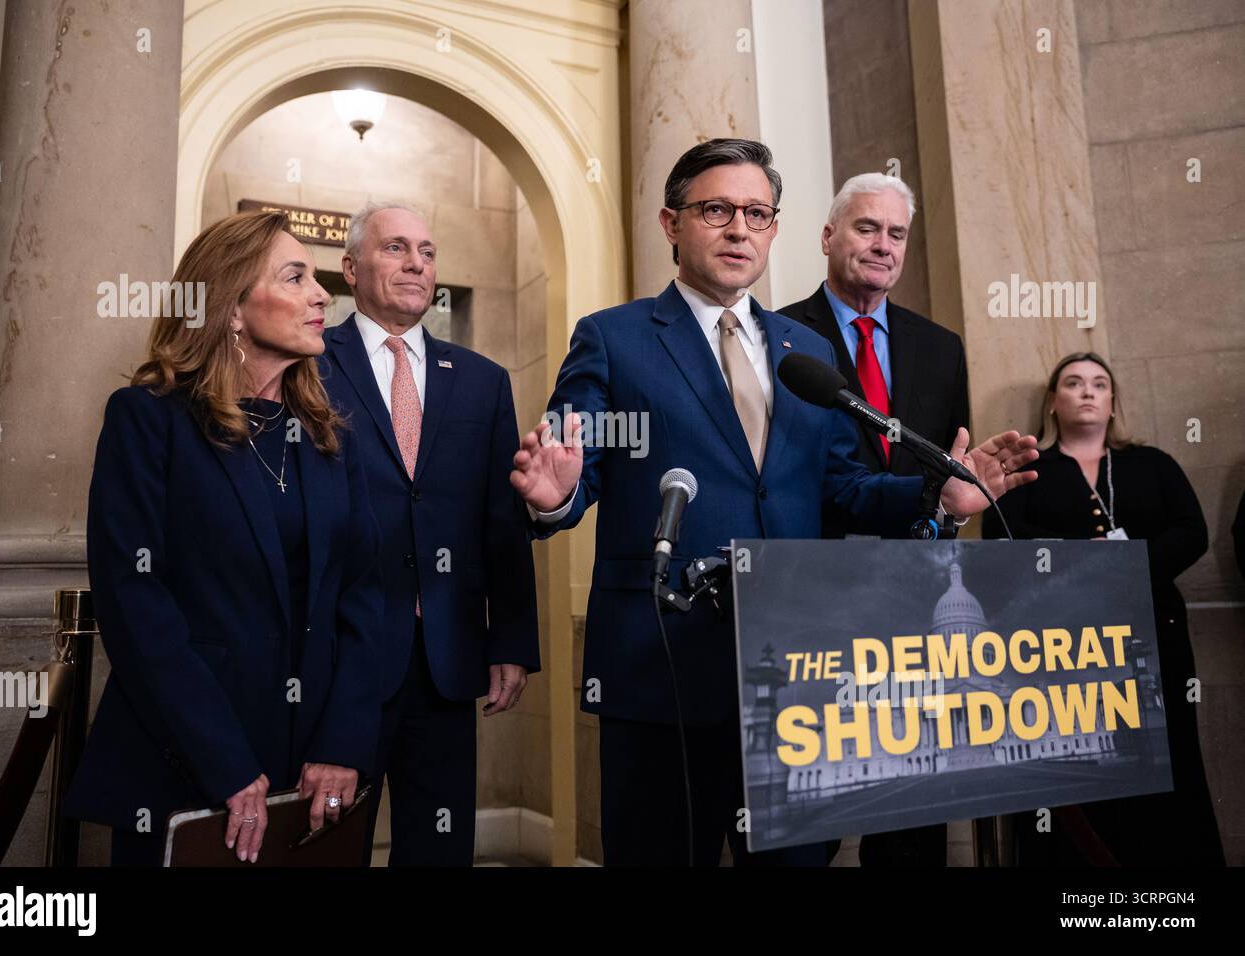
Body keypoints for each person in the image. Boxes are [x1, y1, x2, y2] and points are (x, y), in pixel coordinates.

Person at [510, 138, 1038, 866]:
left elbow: (842, 488)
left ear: (775, 230)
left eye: (757, 213)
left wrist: (938, 495)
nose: (739, 230)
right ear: (671, 223)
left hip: (796, 677)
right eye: (717, 210)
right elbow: (583, 465)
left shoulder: (804, 353)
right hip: (662, 670)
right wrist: (557, 495)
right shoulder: (615, 339)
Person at [64, 211, 386, 866]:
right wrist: (226, 765)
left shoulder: (331, 436)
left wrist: (343, 743)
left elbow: (365, 598)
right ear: (231, 308)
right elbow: (136, 605)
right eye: (295, 277)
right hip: (186, 766)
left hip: (315, 775)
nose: (323, 295)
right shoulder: (148, 419)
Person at [320, 202, 539, 866]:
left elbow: (502, 523)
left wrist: (512, 641)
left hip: (445, 659)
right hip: (336, 661)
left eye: (427, 250)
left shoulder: (482, 381)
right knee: (328, 843)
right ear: (351, 268)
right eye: (395, 248)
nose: (416, 262)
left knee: (439, 848)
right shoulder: (307, 364)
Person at [779, 172, 968, 867]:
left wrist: (953, 516)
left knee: (912, 809)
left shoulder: (940, 346)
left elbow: (949, 459)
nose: (882, 245)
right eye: (866, 228)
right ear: (828, 236)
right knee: (812, 815)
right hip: (817, 600)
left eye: (896, 234)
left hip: (920, 602)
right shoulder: (780, 335)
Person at [983, 351, 1225, 866]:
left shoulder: (1152, 464)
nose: (1088, 391)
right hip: (1063, 652)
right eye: (1073, 383)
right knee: (1080, 773)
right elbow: (1004, 540)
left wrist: (1122, 564)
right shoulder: (1029, 470)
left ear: (1113, 402)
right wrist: (1077, 567)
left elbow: (1191, 532)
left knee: (1168, 765)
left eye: (1099, 384)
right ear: (1053, 402)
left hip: (1155, 640)